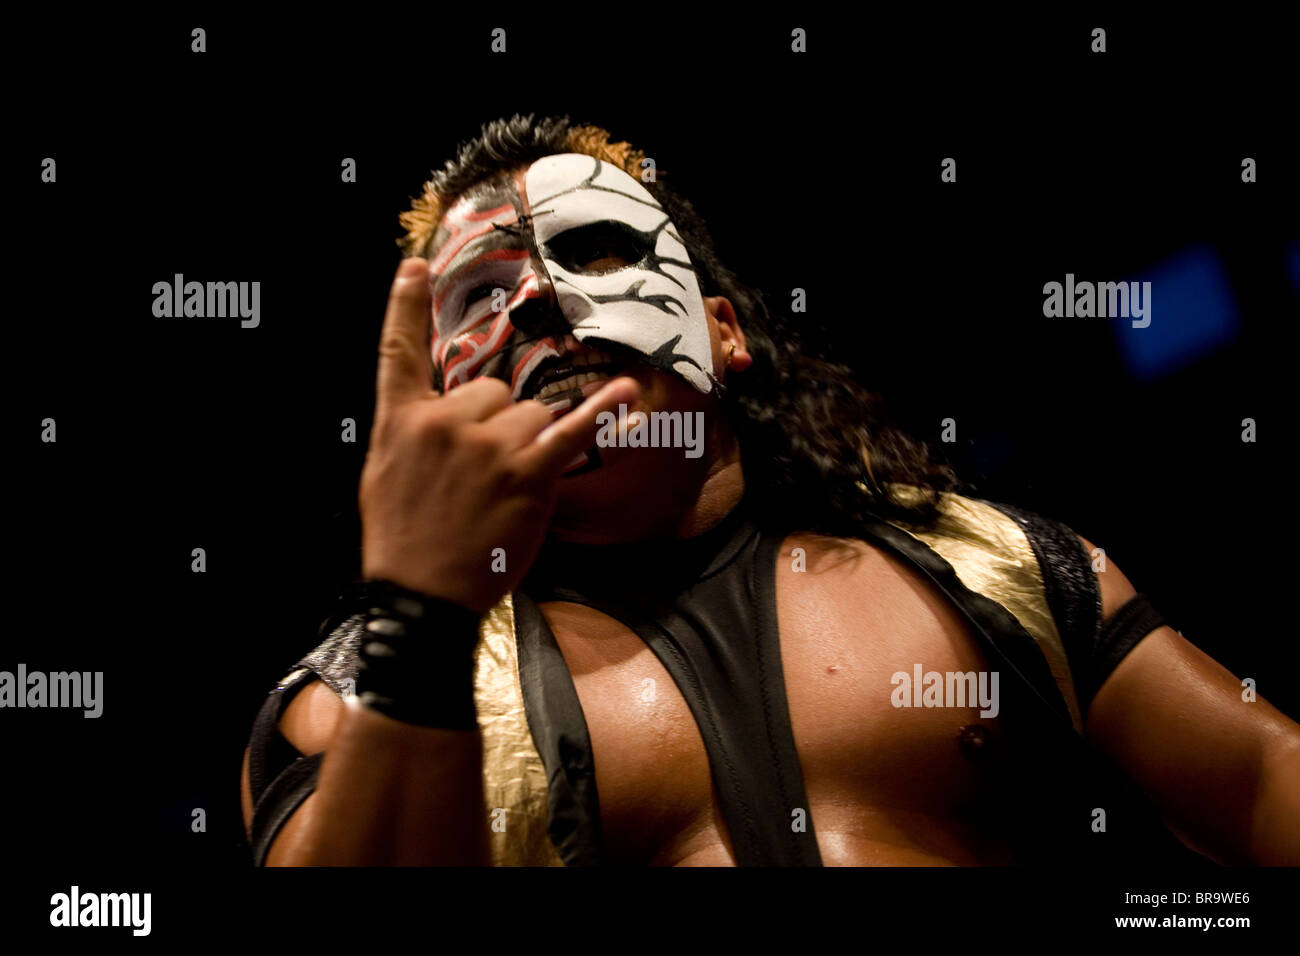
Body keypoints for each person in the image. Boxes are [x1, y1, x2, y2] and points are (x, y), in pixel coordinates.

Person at [240, 115, 1300, 867]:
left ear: (724, 331)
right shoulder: (352, 693)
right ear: (437, 389)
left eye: (593, 250)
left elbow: (1261, 780)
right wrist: (422, 614)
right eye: (478, 293)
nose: (535, 306)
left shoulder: (990, 562)